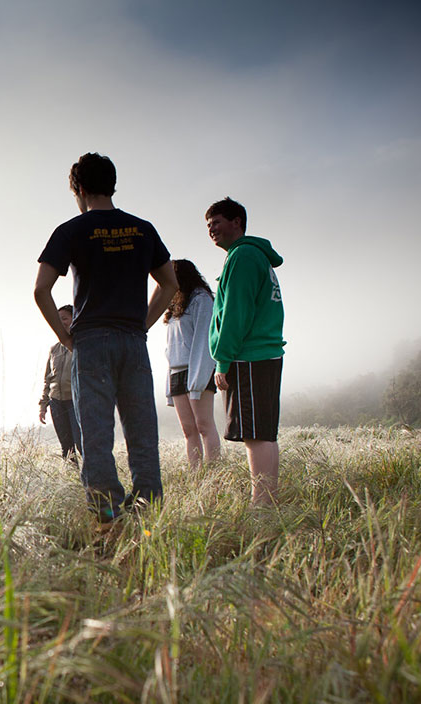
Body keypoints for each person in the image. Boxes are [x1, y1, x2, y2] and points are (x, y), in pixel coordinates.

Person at [34, 153, 177, 524]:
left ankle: (108, 521)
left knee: (96, 439)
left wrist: (66, 338)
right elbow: (170, 284)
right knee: (142, 434)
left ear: (79, 189)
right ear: (112, 184)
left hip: (91, 343)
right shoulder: (143, 229)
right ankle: (148, 519)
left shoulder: (72, 230)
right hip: (132, 341)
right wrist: (142, 325)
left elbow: (41, 290)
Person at [205, 197, 285, 505]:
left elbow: (235, 314)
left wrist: (223, 360)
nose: (212, 229)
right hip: (262, 353)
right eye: (208, 225)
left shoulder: (243, 257)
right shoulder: (253, 256)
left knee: (254, 434)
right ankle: (268, 499)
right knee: (262, 432)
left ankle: (261, 503)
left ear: (237, 221)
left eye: (217, 222)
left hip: (248, 355)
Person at [163, 259, 221, 469]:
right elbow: (171, 347)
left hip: (198, 369)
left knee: (204, 425)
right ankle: (196, 476)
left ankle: (214, 473)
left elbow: (204, 341)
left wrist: (198, 379)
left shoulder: (201, 299)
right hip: (177, 371)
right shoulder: (175, 304)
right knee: (188, 430)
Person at [38, 304, 81, 461]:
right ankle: (72, 481)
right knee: (66, 447)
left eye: (65, 318)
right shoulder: (54, 349)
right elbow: (48, 378)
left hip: (76, 402)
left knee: (81, 444)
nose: (61, 322)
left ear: (74, 319)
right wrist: (43, 405)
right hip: (56, 403)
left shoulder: (81, 344)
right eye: (58, 319)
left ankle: (92, 481)